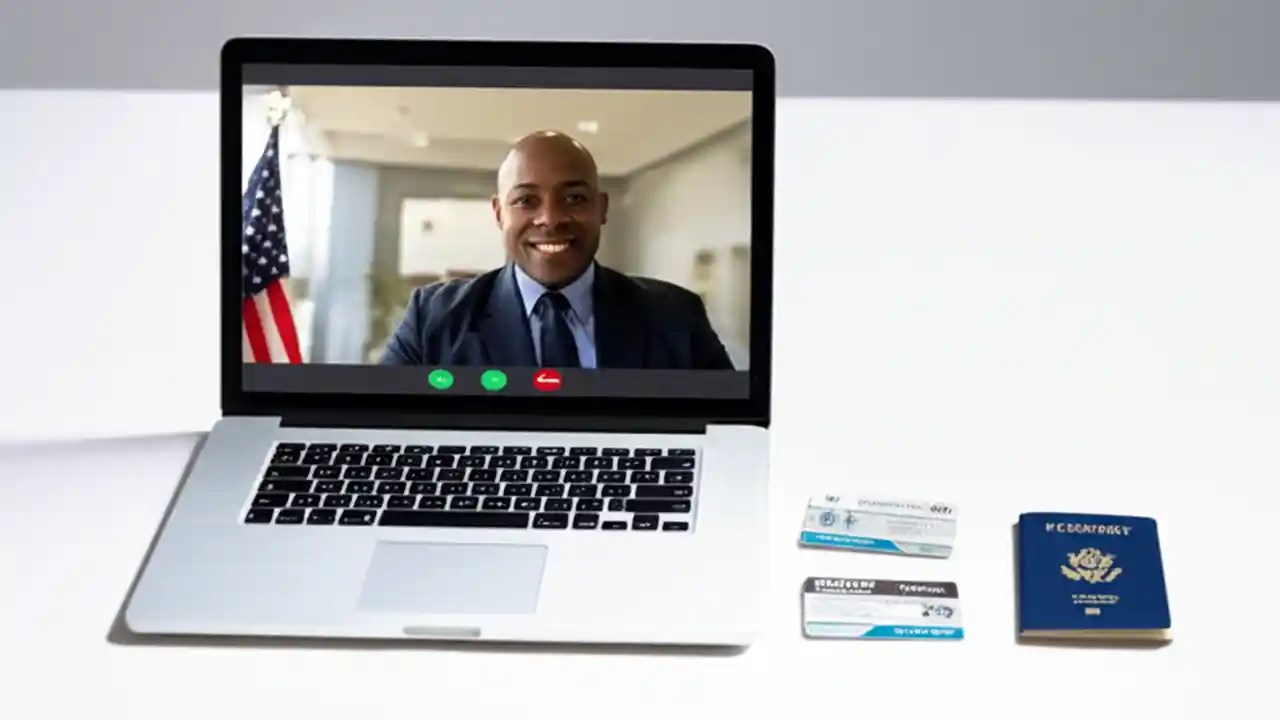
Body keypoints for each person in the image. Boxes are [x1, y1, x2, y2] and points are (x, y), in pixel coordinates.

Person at [378, 130, 735, 370]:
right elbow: (381, 429)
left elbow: (732, 433)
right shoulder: (433, 319)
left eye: (574, 198)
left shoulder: (676, 316)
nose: (550, 219)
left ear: (602, 208)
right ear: (500, 214)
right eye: (527, 200)